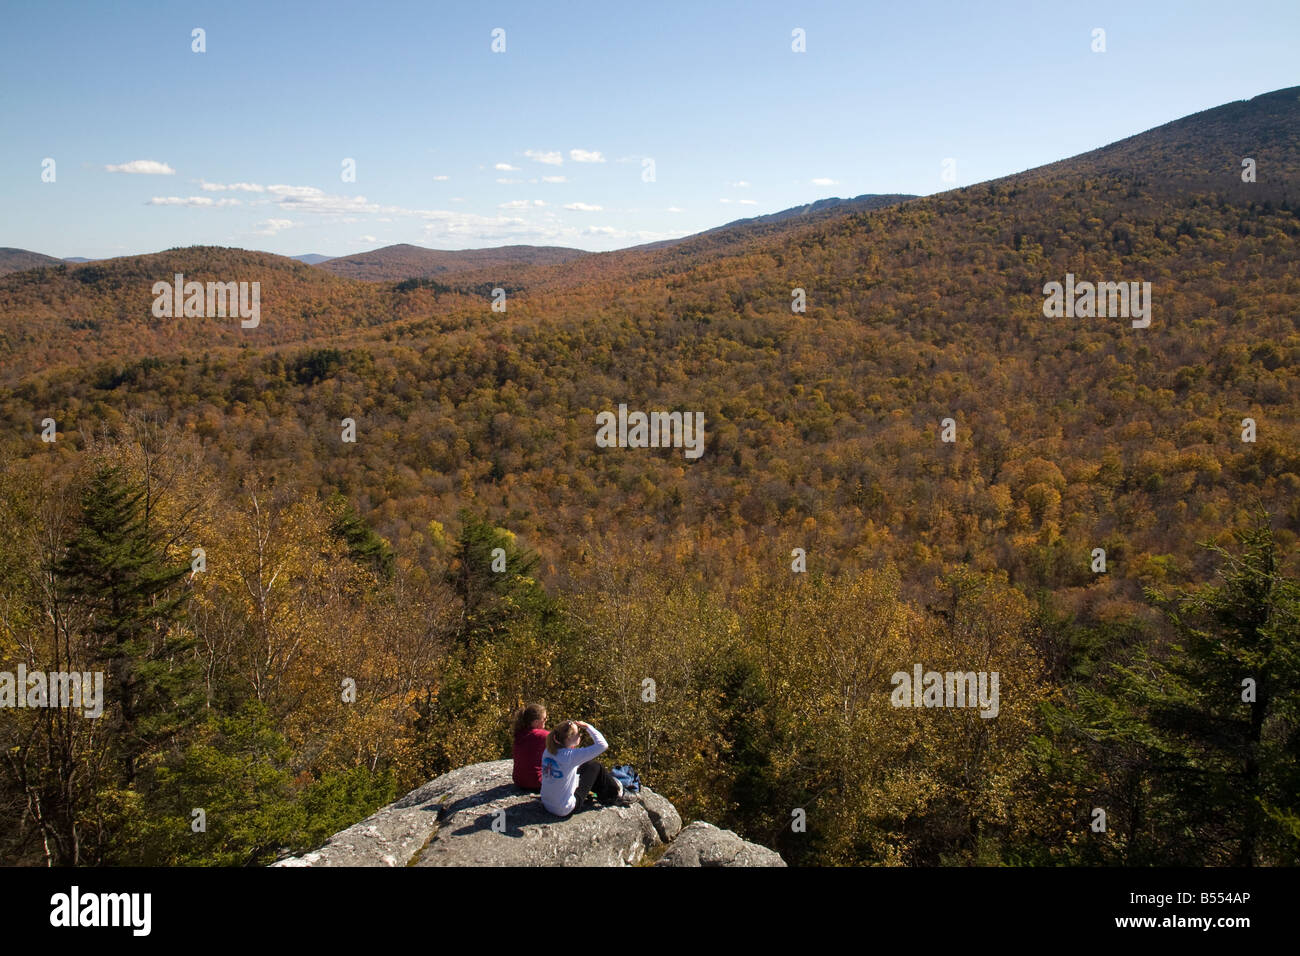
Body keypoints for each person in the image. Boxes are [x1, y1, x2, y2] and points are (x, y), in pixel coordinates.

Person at [540, 719, 626, 816]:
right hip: (564, 809)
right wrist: (588, 727)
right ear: (569, 738)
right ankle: (615, 793)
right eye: (578, 733)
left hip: (547, 803)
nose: (580, 735)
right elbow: (603, 745)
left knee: (586, 765)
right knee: (595, 766)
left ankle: (608, 790)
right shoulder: (570, 756)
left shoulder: (549, 751)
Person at [511, 702, 549, 791]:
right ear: (536, 722)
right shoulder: (542, 736)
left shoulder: (519, 733)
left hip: (519, 780)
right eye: (544, 718)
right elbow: (566, 746)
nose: (546, 720)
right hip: (537, 782)